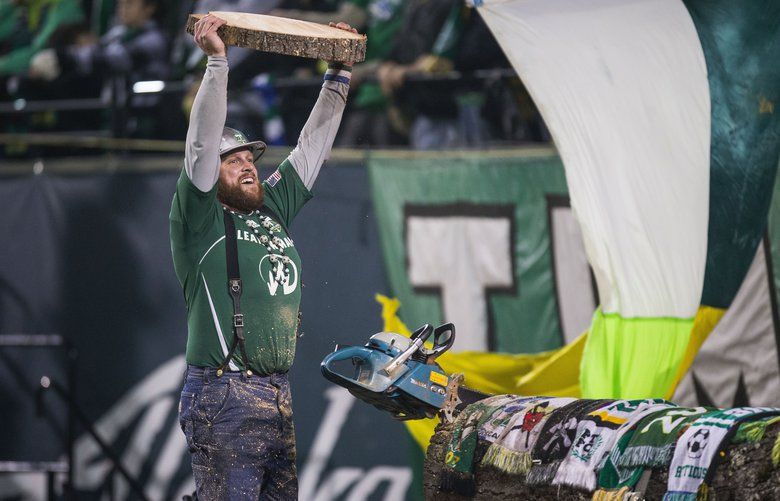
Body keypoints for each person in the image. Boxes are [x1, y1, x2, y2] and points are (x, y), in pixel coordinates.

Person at [170, 14, 354, 499]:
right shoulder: (198, 220)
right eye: (234, 162)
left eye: (250, 159)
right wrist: (216, 62)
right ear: (213, 173)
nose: (247, 166)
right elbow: (202, 143)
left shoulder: (272, 207)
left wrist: (339, 73)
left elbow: (312, 147)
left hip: (275, 395)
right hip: (223, 395)